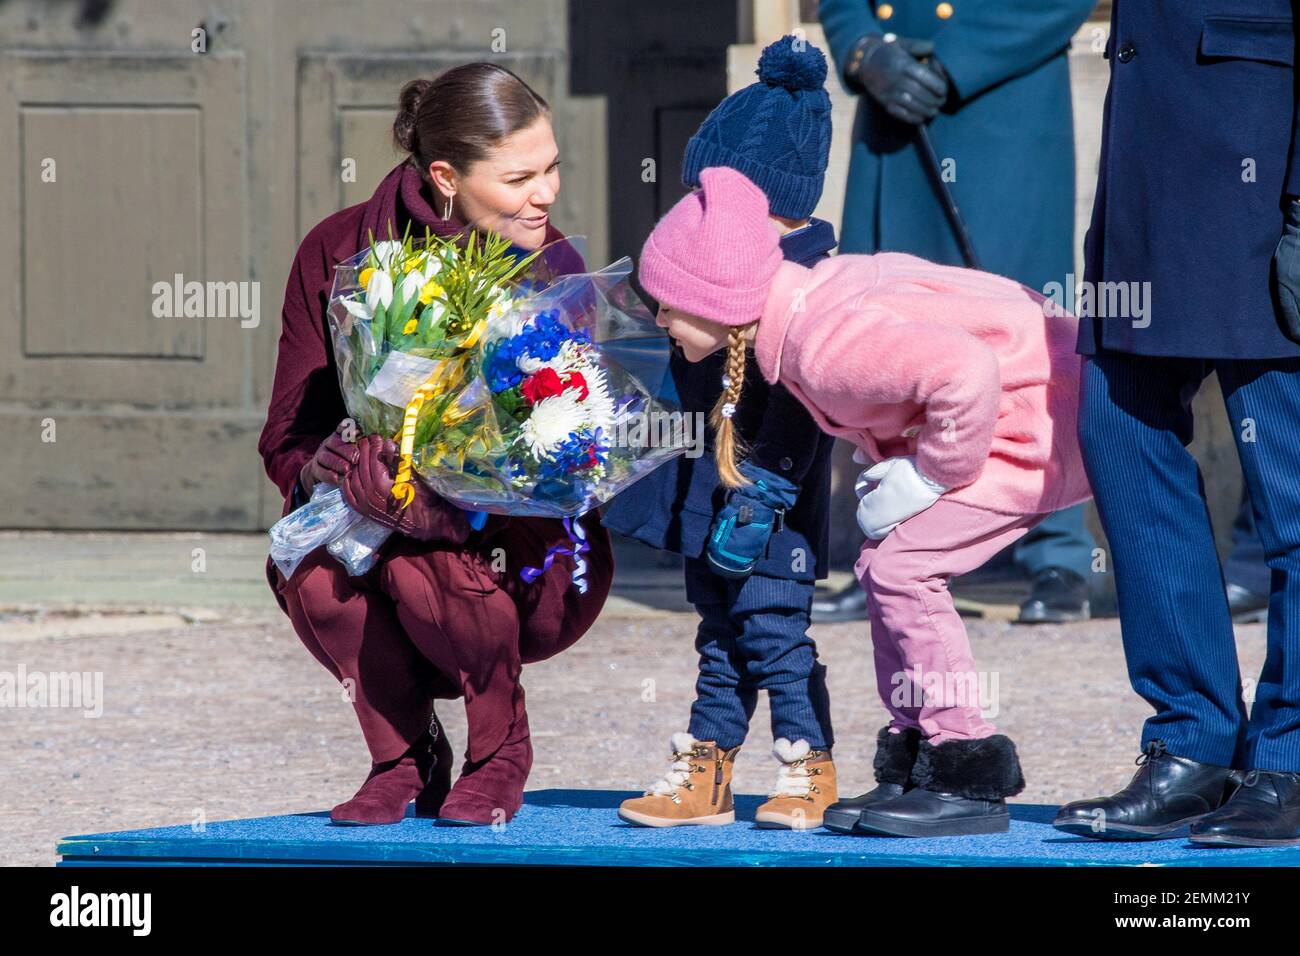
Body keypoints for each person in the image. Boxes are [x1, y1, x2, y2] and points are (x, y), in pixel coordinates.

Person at [640, 165, 1092, 836]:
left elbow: (964, 372)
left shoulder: (821, 345)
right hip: (1018, 414)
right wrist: (902, 459)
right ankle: (917, 759)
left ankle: (964, 767)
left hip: (1044, 425)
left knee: (905, 569)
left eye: (670, 303)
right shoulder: (803, 306)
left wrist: (929, 476)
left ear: (721, 300)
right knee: (885, 566)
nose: (659, 319)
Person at [259, 63, 613, 827]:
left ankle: (500, 750)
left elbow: (570, 445)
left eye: (552, 167)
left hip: (526, 552)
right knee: (315, 567)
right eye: (520, 177)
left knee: (430, 562)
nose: (546, 194)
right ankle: (405, 757)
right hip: (371, 516)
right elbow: (287, 430)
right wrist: (326, 465)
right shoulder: (337, 251)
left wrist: (466, 490)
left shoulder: (551, 265)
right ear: (447, 176)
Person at [1054, 0, 1300, 847]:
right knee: (1117, 430)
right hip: (1150, 188)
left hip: (1265, 177)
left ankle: (1292, 756)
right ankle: (1193, 744)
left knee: (1293, 489)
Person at [607, 36, 841, 829]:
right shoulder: (713, 292)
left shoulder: (798, 308)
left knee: (776, 637)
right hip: (717, 510)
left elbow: (798, 429)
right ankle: (708, 770)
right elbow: (666, 392)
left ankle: (810, 765)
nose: (663, 319)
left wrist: (760, 502)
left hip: (773, 525)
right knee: (719, 637)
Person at [814, 0, 1099, 625]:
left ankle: (1060, 555)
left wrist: (958, 59)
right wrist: (865, 51)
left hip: (1003, 103)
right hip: (895, 112)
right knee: (893, 337)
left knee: (1027, 332)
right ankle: (895, 545)